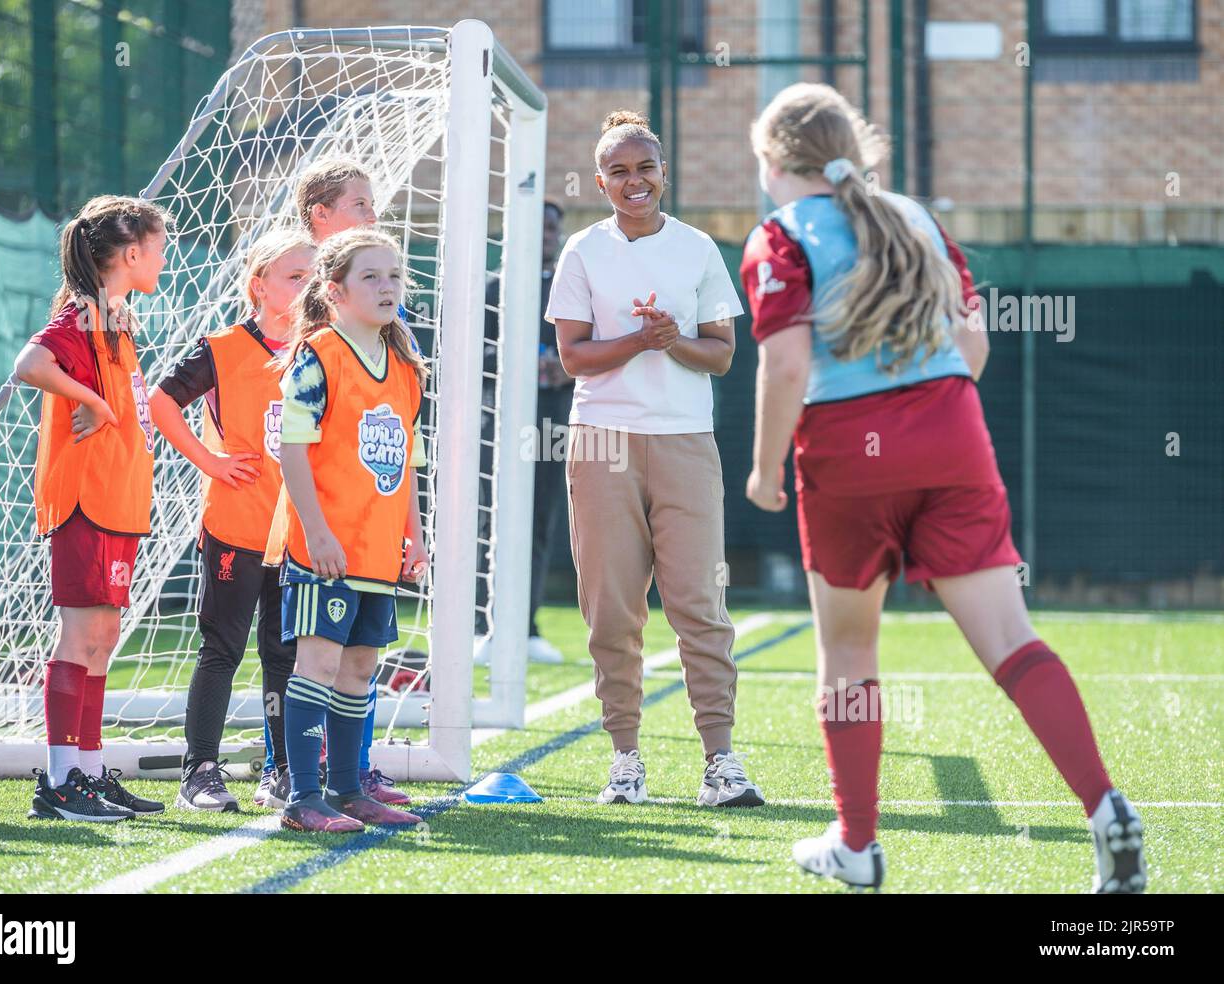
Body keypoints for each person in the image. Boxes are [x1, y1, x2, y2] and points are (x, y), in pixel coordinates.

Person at [741, 82, 1146, 893]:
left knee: (849, 653)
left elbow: (786, 363)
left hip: (848, 453)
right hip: (953, 433)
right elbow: (971, 337)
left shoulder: (778, 235)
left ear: (776, 163)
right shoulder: (916, 218)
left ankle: (857, 846)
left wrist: (763, 468)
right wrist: (934, 412)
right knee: (1013, 641)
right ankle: (1107, 808)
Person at [546, 110, 764, 809]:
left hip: (683, 440)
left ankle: (721, 763)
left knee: (699, 604)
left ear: (663, 173)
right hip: (602, 439)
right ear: (601, 179)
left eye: (645, 168)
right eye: (619, 170)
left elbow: (722, 354)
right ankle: (625, 760)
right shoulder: (582, 249)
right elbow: (573, 356)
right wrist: (638, 342)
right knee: (611, 609)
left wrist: (670, 341)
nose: (633, 181)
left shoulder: (698, 249)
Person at [253, 157, 415, 809]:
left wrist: (416, 538)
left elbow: (408, 463)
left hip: (376, 551)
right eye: (370, 276)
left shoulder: (406, 368)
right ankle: (303, 795)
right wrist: (315, 531)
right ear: (337, 289)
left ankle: (350, 789)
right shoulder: (317, 356)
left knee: (359, 668)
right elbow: (292, 450)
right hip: (325, 549)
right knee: (316, 665)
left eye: (394, 275)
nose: (386, 286)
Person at [14, 195, 171, 822]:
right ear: (131, 254)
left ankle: (88, 770)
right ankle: (57, 783)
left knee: (103, 639)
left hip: (118, 501)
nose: (164, 259)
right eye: (159, 247)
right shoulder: (81, 317)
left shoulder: (118, 318)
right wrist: (94, 403)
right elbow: (30, 364)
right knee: (80, 637)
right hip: (85, 502)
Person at [149, 229, 315, 812]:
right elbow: (161, 401)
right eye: (294, 276)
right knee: (222, 647)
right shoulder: (222, 348)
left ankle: (283, 769)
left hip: (296, 528)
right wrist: (209, 460)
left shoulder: (322, 351)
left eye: (313, 277)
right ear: (259, 286)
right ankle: (200, 771)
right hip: (235, 526)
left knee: (285, 652)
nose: (306, 286)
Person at [474, 200, 572, 666]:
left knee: (539, 520)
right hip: (496, 422)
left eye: (553, 228)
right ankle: (481, 626)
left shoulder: (571, 291)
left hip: (551, 422)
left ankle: (526, 626)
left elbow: (590, 353)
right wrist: (517, 365)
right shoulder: (494, 290)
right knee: (487, 521)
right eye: (539, 226)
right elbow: (469, 358)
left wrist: (564, 371)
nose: (547, 235)